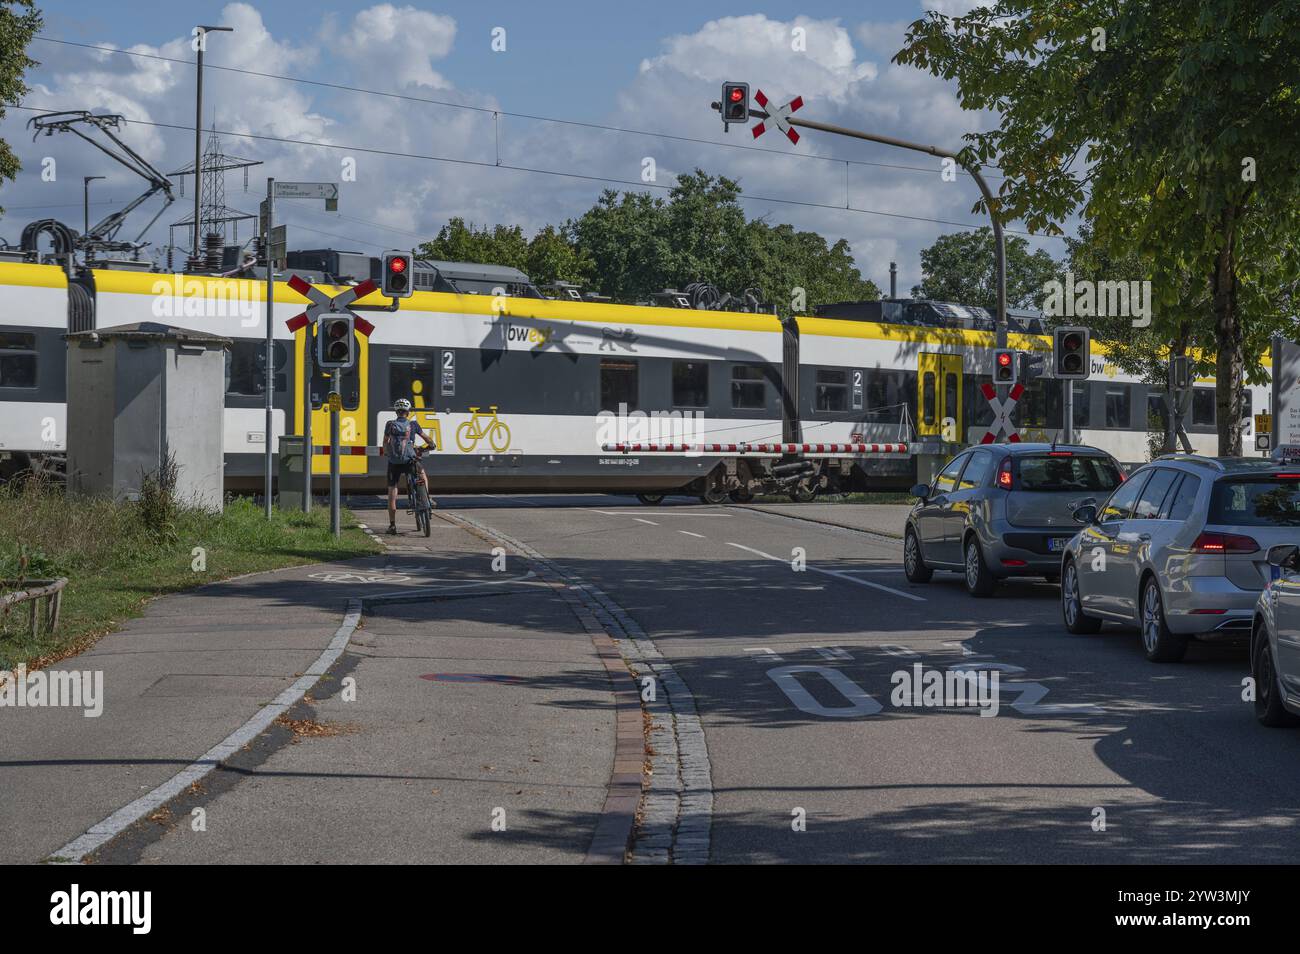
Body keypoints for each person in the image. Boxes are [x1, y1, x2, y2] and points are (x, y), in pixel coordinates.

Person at [383, 398, 436, 534]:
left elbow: (385, 443)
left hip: (394, 463)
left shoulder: (390, 424)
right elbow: (427, 439)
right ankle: (428, 499)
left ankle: (392, 525)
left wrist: (388, 453)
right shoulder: (413, 425)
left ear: (396, 411)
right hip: (410, 461)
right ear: (408, 412)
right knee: (421, 473)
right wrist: (431, 445)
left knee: (392, 491)